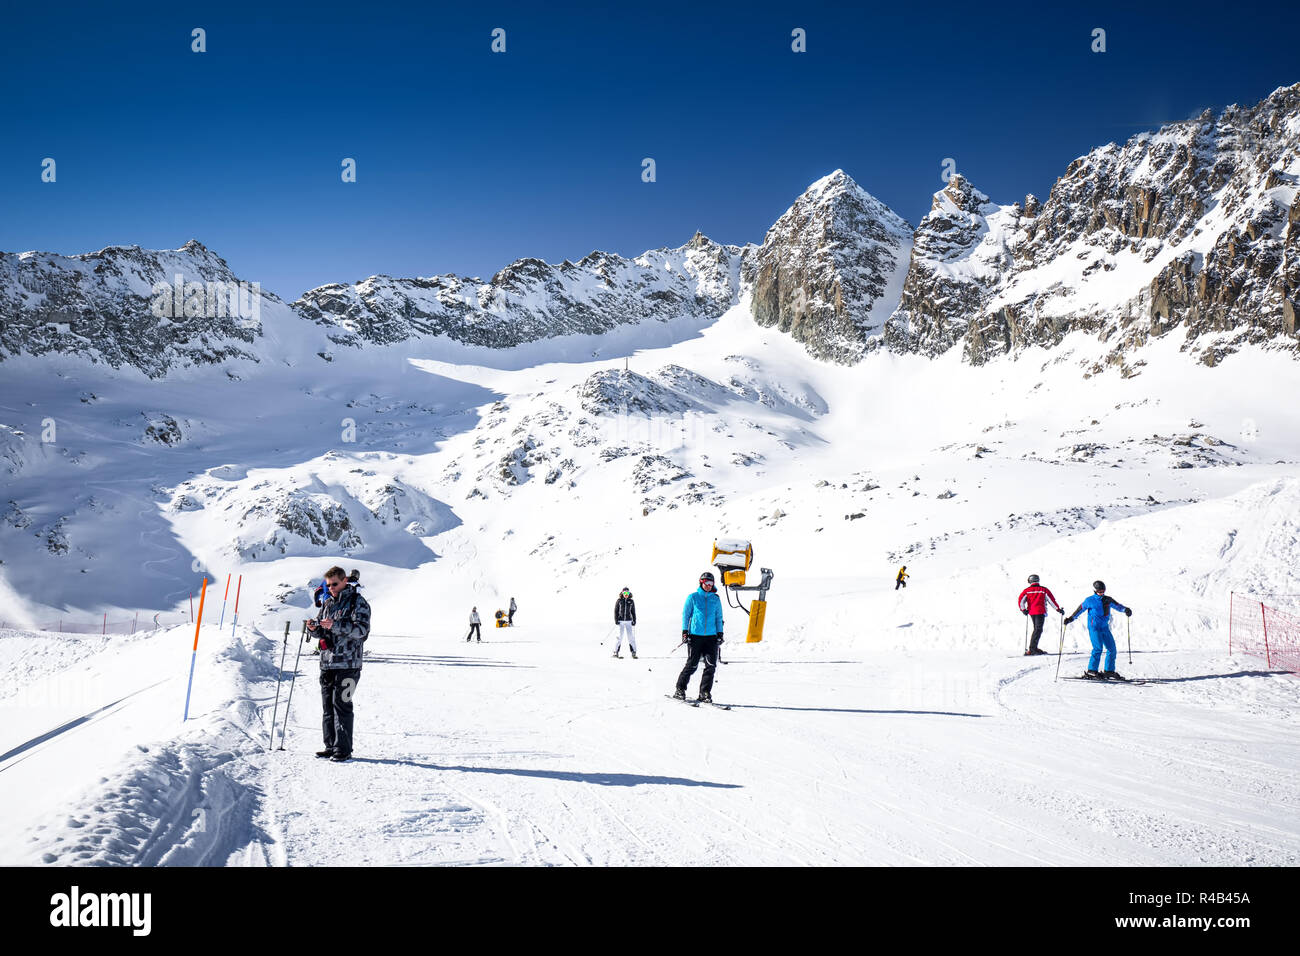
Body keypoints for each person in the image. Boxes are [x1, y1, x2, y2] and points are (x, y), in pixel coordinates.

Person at [308, 565, 371, 762]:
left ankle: (343, 749)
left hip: (348, 664)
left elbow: (361, 631)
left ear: (345, 581)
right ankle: (330, 746)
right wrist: (314, 628)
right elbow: (322, 631)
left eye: (335, 584)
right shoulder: (327, 604)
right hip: (327, 662)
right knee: (327, 706)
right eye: (329, 585)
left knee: (342, 705)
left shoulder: (357, 602)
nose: (332, 588)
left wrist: (335, 625)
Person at [1064, 580, 1133, 680]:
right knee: (1098, 649)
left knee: (1112, 648)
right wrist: (1071, 618)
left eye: (1103, 591)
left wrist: (1126, 609)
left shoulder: (1107, 599)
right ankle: (1092, 671)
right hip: (1094, 628)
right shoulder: (1089, 600)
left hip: (1104, 627)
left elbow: (1118, 606)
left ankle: (1109, 671)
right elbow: (1080, 610)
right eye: (1099, 591)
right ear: (1095, 590)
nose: (1101, 593)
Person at [674, 571, 724, 703]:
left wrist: (720, 633)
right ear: (701, 583)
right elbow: (686, 615)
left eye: (711, 583)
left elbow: (719, 617)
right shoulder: (693, 597)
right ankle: (680, 689)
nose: (709, 585)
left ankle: (705, 693)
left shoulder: (715, 599)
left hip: (711, 638)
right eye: (706, 583)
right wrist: (685, 632)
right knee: (692, 664)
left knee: (711, 665)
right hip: (695, 636)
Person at [1018, 574, 1064, 655]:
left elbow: (1021, 600)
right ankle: (1032, 649)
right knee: (1038, 630)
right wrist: (1058, 609)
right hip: (1040, 612)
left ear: (1030, 581)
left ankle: (1033, 648)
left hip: (1031, 612)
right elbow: (1051, 600)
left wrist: (1023, 610)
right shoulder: (1043, 590)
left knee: (1037, 629)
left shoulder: (1027, 591)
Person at [613, 587, 637, 659]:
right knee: (619, 637)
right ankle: (615, 652)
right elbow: (616, 611)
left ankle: (633, 652)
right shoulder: (619, 601)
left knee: (631, 637)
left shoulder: (631, 601)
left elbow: (633, 612)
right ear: (622, 593)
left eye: (627, 593)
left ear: (629, 593)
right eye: (625, 593)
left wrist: (634, 620)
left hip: (629, 621)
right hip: (620, 622)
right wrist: (616, 620)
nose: (626, 594)